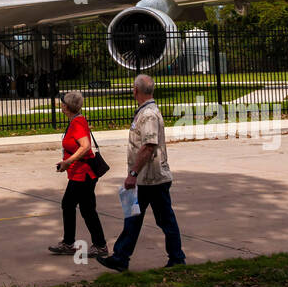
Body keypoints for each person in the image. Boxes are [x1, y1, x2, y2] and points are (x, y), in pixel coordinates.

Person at [97, 74, 185, 272]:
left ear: (136, 91)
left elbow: (149, 146)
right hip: (145, 180)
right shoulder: (145, 112)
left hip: (152, 179)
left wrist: (133, 174)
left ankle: (177, 258)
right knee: (133, 217)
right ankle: (121, 257)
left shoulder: (149, 115)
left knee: (164, 220)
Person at [48, 91, 108, 257]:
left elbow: (85, 146)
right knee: (81, 207)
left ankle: (94, 245)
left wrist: (68, 162)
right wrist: (67, 163)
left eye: (62, 103)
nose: (61, 105)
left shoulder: (77, 123)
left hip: (83, 174)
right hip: (78, 173)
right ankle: (77, 243)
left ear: (66, 107)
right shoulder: (76, 121)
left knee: (75, 206)